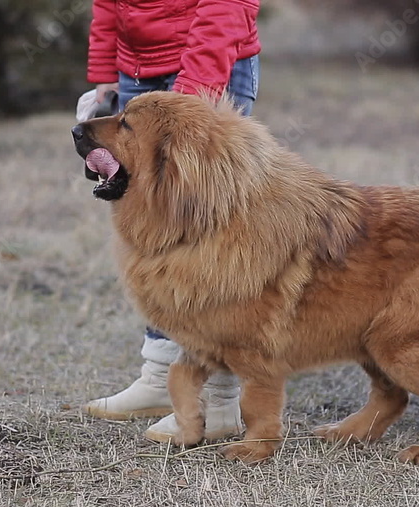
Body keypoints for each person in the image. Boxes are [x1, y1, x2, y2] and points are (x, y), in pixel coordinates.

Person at [81, 0, 261, 442]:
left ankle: (217, 398)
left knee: (209, 230)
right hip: (136, 68)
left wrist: (197, 86)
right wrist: (105, 69)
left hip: (208, 64)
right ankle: (163, 374)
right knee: (150, 221)